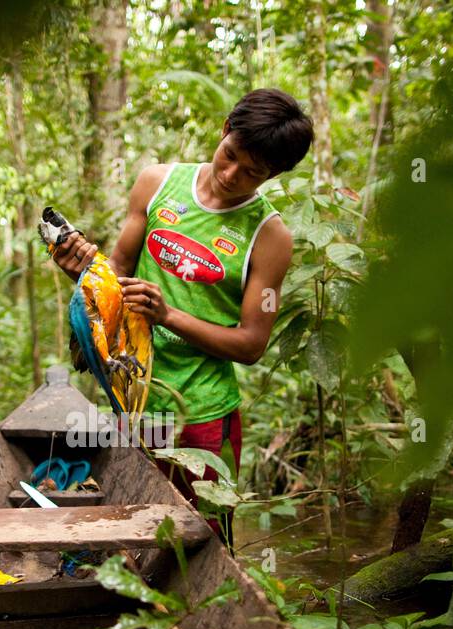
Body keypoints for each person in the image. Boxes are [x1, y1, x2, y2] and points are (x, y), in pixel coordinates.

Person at [52, 88, 313, 541]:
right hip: (133, 401)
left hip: (203, 413)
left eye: (252, 172)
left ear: (273, 175)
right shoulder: (156, 184)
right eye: (229, 155)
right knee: (131, 530)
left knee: (202, 537)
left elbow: (252, 344)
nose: (230, 175)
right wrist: (84, 276)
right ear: (225, 129)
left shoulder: (271, 238)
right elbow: (117, 273)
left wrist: (168, 315)